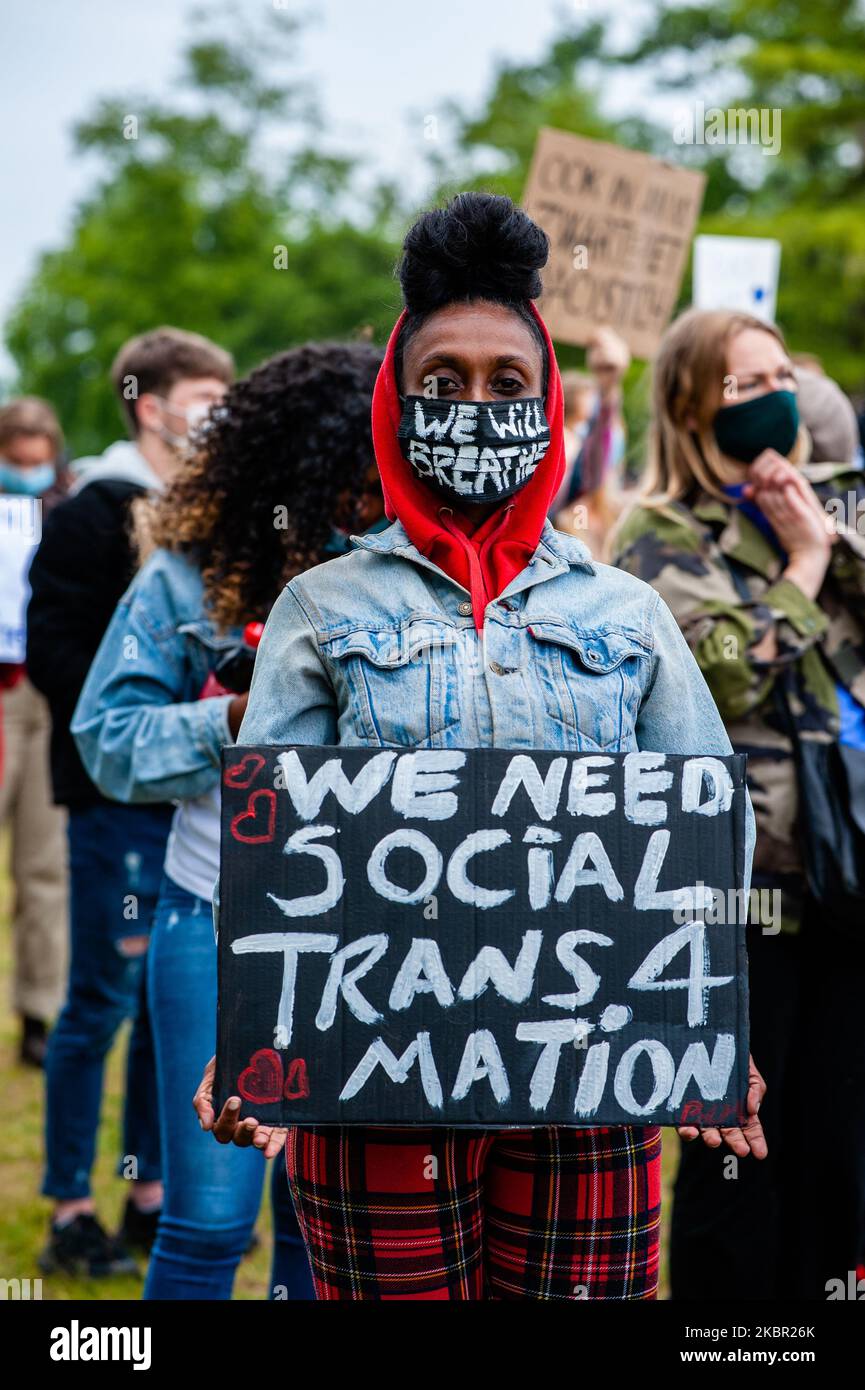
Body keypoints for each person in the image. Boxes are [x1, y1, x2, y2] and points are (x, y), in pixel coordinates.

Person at [193, 192, 764, 1302]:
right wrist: (252, 1033)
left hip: (595, 1076)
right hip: (375, 1081)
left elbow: (705, 834)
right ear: (395, 409)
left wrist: (710, 1025)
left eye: (507, 383)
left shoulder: (628, 614)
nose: (475, 404)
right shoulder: (318, 608)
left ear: (547, 403)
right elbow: (269, 848)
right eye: (441, 384)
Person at [72, 342, 385, 1300]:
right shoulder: (186, 579)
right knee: (209, 1223)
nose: (369, 505)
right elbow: (107, 738)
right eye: (351, 482)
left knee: (321, 1226)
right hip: (214, 922)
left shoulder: (405, 572)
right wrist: (234, 718)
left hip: (370, 938)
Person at [611, 308, 865, 1301]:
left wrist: (822, 538)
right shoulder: (660, 531)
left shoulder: (830, 504)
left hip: (847, 880)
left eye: (778, 377)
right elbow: (714, 677)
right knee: (734, 1156)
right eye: (743, 385)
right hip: (736, 889)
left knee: (837, 1150)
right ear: (686, 404)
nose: (774, 399)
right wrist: (799, 570)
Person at [27, 327, 234, 1277]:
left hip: (191, 807)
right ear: (148, 406)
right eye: (202, 400)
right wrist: (160, 722)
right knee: (101, 997)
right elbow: (65, 660)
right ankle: (72, 1199)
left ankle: (150, 1192)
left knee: (170, 1007)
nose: (218, 418)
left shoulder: (221, 520)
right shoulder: (91, 513)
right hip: (117, 802)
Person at [0, 398, 71, 1066]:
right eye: (12, 461)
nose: (26, 471)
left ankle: (37, 1011)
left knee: (43, 866)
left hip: (43, 695)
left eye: (35, 461)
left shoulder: (68, 511)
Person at [550, 328, 630, 559]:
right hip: (571, 523)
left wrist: (610, 389)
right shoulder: (566, 438)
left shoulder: (594, 431)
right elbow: (587, 475)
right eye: (588, 395)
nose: (592, 401)